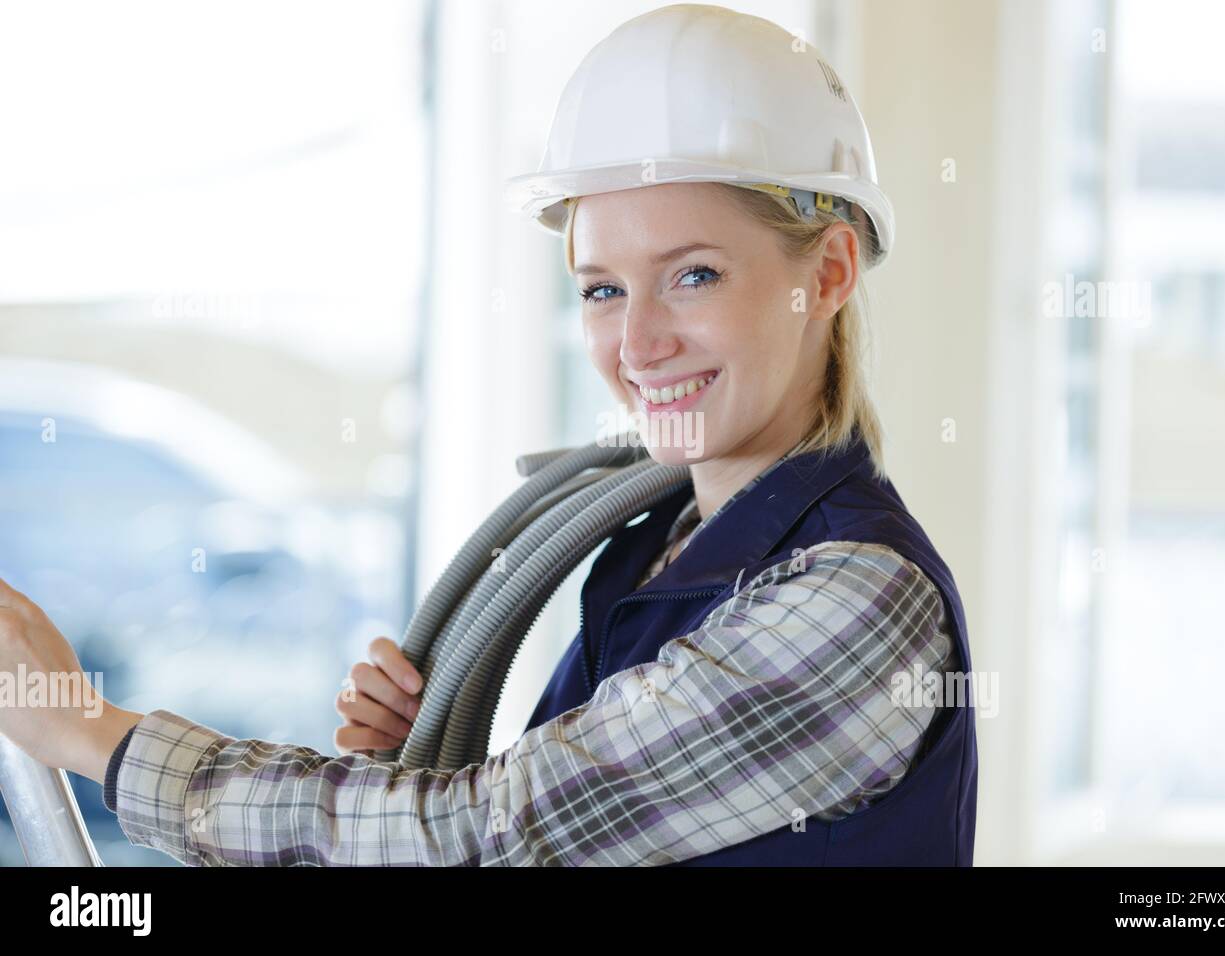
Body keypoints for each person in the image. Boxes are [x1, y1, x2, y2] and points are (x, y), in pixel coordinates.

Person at [0, 3, 976, 866]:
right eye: (602, 288)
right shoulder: (660, 550)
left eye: (694, 274)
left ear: (832, 270)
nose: (636, 342)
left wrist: (91, 733)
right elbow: (554, 817)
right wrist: (418, 756)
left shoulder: (856, 600)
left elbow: (494, 833)